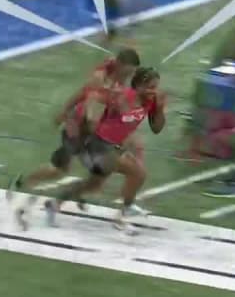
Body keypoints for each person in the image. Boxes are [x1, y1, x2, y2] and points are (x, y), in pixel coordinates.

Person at [9, 50, 140, 227]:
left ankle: (61, 199)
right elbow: (90, 111)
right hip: (79, 131)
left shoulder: (116, 80)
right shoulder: (101, 80)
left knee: (93, 179)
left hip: (89, 132)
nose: (129, 76)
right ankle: (26, 183)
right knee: (59, 170)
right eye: (127, 72)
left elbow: (86, 96)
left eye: (131, 73)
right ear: (119, 65)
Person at [46, 66, 167, 233]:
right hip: (97, 145)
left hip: (113, 147)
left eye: (155, 87)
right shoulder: (122, 96)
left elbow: (157, 128)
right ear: (138, 85)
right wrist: (84, 121)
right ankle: (124, 212)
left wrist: (159, 109)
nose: (153, 91)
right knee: (138, 173)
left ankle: (55, 204)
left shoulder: (151, 102)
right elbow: (92, 97)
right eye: (150, 87)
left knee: (92, 185)